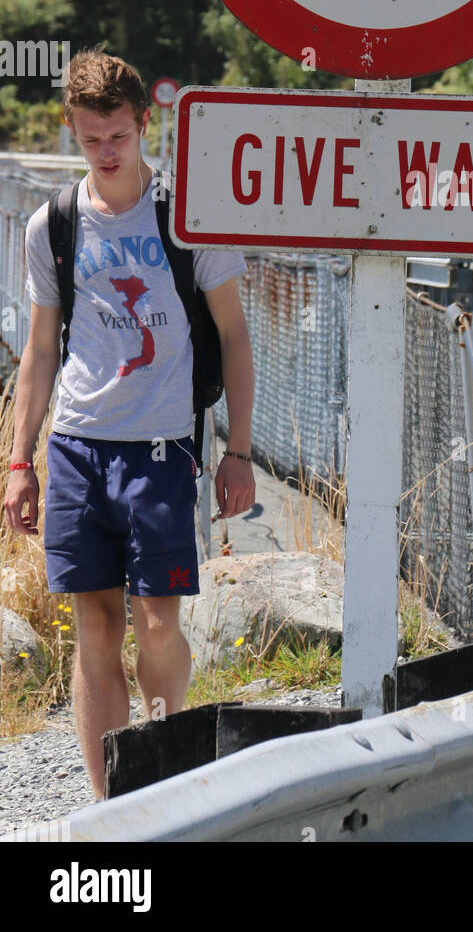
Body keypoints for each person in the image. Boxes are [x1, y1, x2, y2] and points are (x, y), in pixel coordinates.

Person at [3, 49, 255, 800]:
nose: (106, 154)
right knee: (97, 630)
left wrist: (238, 450)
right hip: (79, 446)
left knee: (156, 627)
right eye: (90, 140)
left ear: (146, 123)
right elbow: (41, 350)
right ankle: (112, 800)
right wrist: (21, 461)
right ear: (72, 131)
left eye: (118, 136)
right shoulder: (55, 225)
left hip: (161, 446)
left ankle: (163, 754)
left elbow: (235, 336)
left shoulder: (188, 216)